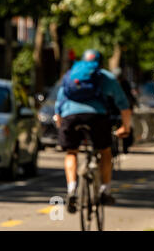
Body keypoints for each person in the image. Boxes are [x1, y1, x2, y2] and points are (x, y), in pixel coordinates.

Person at [54, 49, 132, 213]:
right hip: (96, 117)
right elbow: (124, 105)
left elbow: (59, 103)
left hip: (70, 116)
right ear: (100, 63)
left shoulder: (71, 75)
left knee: (71, 152)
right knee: (105, 150)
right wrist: (126, 127)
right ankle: (105, 190)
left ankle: (71, 189)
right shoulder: (105, 77)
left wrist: (61, 124)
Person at [111, 67, 138, 154]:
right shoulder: (123, 84)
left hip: (121, 109)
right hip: (118, 109)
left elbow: (130, 98)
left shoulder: (121, 84)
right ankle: (115, 146)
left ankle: (125, 147)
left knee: (126, 128)